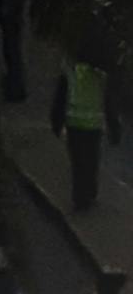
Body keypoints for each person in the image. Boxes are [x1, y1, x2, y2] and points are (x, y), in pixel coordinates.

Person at [60, 46, 110, 210]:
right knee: (91, 161)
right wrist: (114, 127)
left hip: (74, 125)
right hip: (94, 127)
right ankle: (90, 193)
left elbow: (60, 100)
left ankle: (79, 197)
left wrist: (56, 122)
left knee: (78, 163)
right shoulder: (101, 76)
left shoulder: (71, 73)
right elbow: (109, 104)